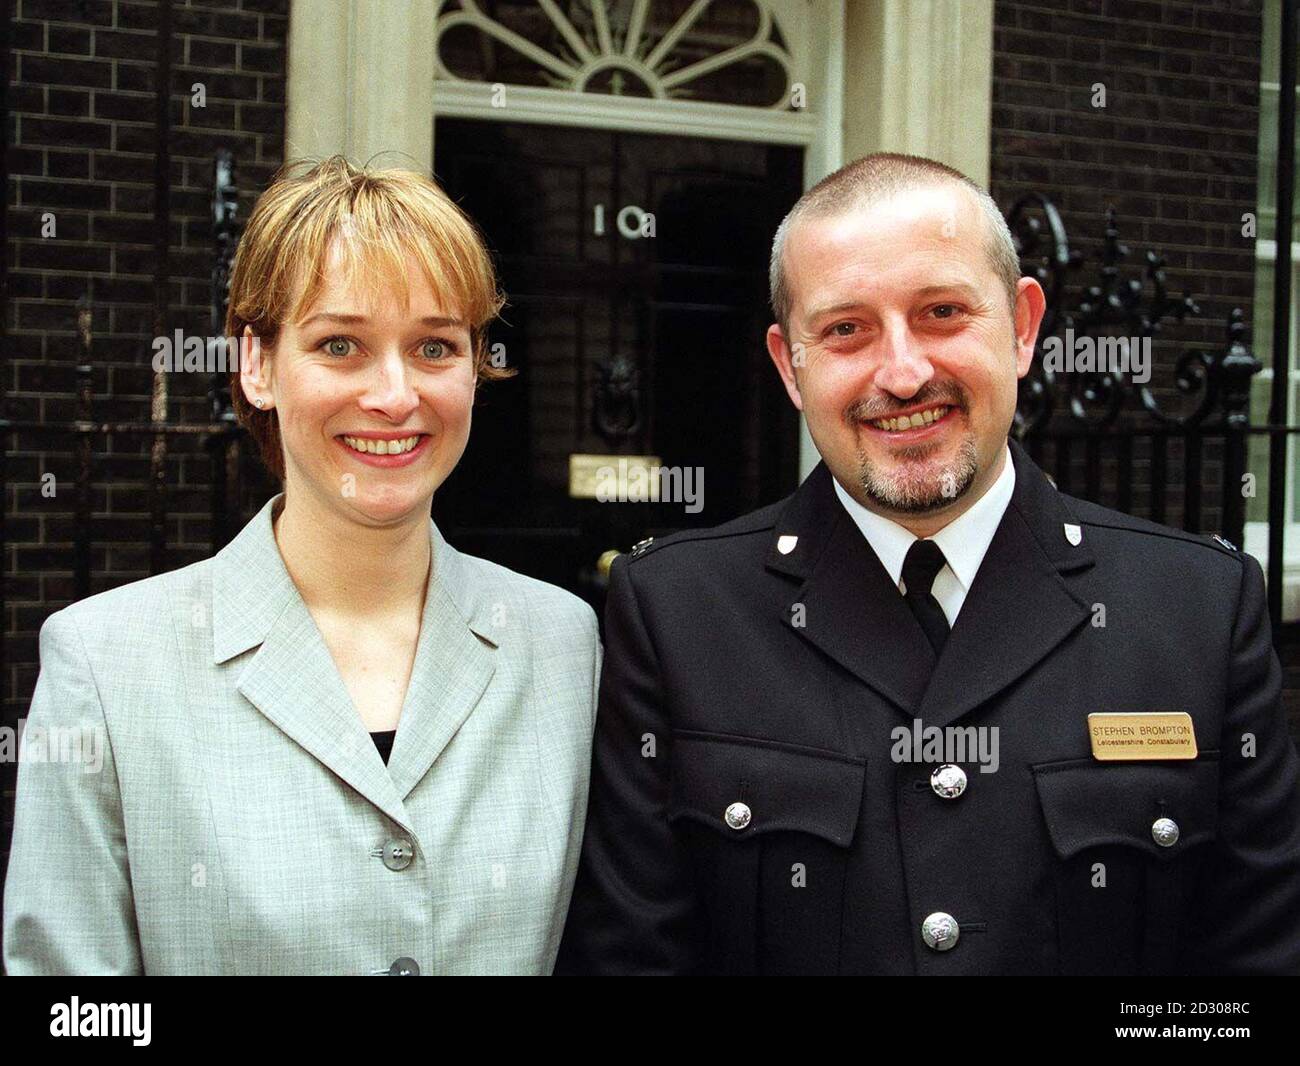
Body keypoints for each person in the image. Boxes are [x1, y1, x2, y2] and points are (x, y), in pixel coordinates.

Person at [556, 152, 1300, 975]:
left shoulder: (1197, 608)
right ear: (788, 365)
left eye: (942, 312)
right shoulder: (676, 611)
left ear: (1021, 327)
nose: (903, 373)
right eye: (846, 330)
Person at [4, 157, 600, 976]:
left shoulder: (564, 643)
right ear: (257, 364)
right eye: (341, 345)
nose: (395, 396)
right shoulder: (106, 664)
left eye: (434, 346)